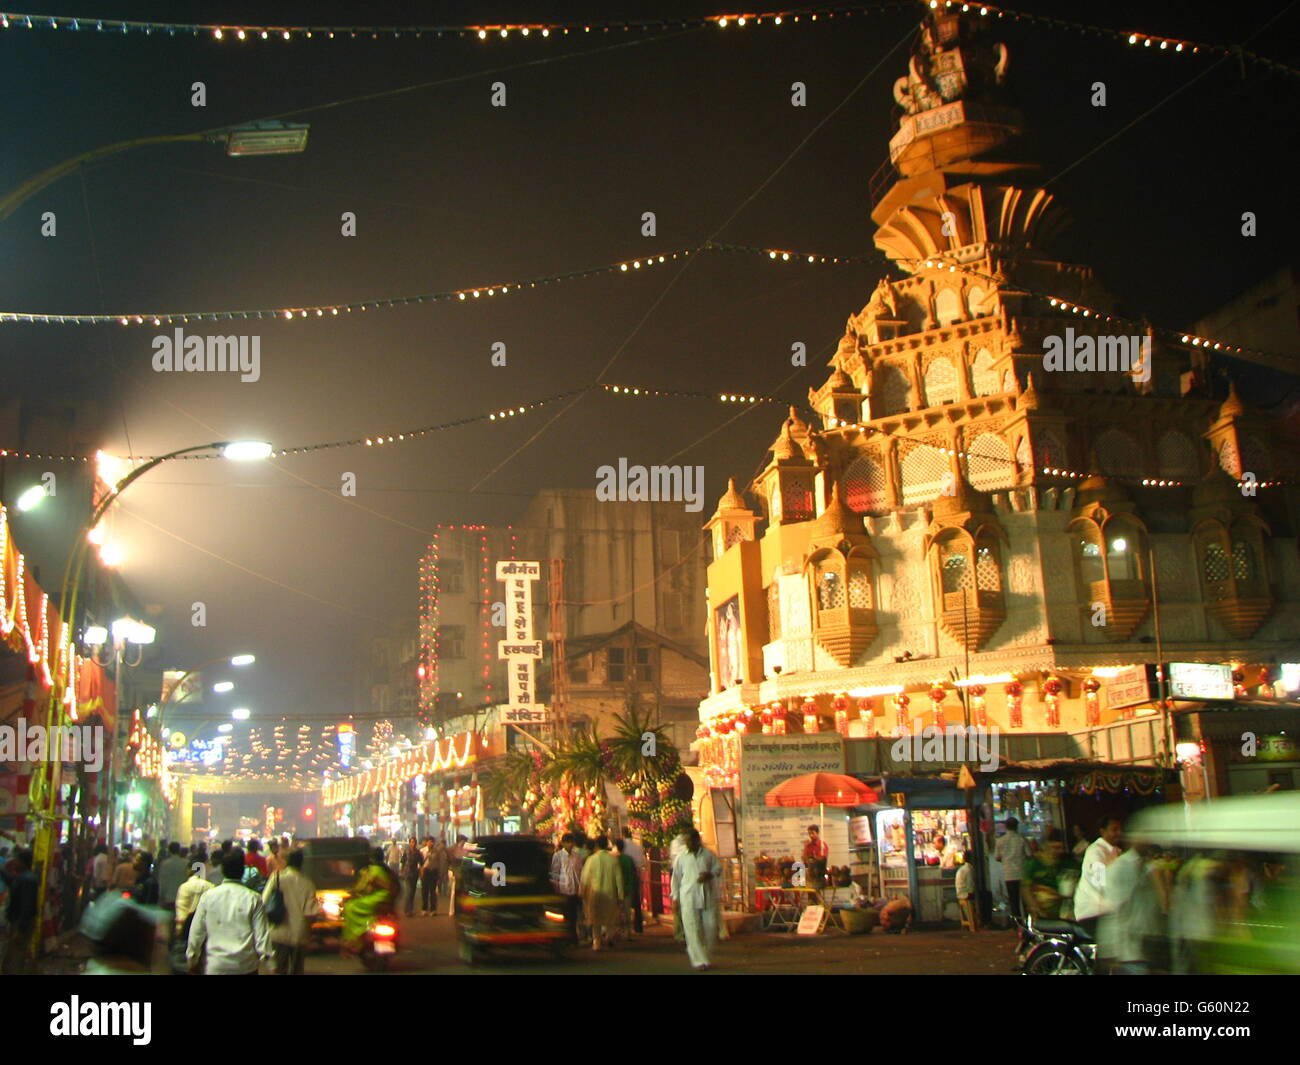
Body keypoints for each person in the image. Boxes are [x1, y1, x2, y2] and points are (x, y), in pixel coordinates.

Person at [186, 851, 273, 975]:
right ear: (242, 871)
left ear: (222, 871)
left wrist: (192, 960)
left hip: (216, 966)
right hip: (246, 967)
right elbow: (262, 936)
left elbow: (196, 932)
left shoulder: (208, 897)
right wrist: (270, 964)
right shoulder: (254, 898)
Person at [1100, 841, 1164, 974]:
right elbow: (1114, 911)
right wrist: (1110, 951)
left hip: (1145, 949)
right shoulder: (1121, 868)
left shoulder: (1147, 868)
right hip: (1129, 952)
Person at [671, 828, 722, 971]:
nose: (688, 844)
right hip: (688, 898)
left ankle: (706, 957)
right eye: (686, 841)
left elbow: (718, 868)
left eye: (690, 841)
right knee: (692, 930)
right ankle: (699, 961)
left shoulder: (708, 855)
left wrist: (709, 875)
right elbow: (676, 879)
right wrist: (675, 898)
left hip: (707, 896)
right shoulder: (681, 857)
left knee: (710, 928)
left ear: (697, 840)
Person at [263, 848, 319, 974]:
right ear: (301, 863)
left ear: (287, 861)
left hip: (278, 932)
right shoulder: (308, 883)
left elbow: (264, 901)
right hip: (299, 934)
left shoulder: (277, 877)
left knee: (279, 969)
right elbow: (311, 913)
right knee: (297, 970)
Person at [1075, 815, 1124, 939]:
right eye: (1114, 830)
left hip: (1108, 911)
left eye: (1120, 829)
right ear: (1103, 831)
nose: (1119, 833)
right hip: (1093, 912)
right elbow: (1099, 880)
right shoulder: (1096, 851)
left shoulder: (1115, 851)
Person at [341, 849, 399, 954]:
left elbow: (362, 887)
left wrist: (353, 892)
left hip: (378, 898)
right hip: (386, 898)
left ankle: (356, 935)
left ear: (371, 859)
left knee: (350, 906)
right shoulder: (385, 870)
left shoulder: (372, 870)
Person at [1021, 827, 1079, 920]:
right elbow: (1025, 888)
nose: (1060, 851)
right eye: (1055, 847)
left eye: (1062, 847)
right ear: (1045, 846)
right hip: (1042, 914)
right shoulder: (1033, 863)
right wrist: (1034, 907)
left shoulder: (1069, 863)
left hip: (1066, 914)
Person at [580, 835, 623, 951]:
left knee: (596, 919)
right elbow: (619, 879)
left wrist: (582, 892)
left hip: (595, 893)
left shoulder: (591, 860)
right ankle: (609, 936)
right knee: (610, 918)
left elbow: (585, 878)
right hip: (610, 893)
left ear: (597, 845)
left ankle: (597, 942)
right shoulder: (613, 860)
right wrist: (620, 895)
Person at [1, 848, 38, 974]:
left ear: (23, 862)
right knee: (13, 957)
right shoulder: (24, 877)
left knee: (15, 960)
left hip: (21, 923)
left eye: (16, 860)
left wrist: (21, 929)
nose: (14, 862)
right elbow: (12, 881)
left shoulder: (28, 880)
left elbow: (27, 906)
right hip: (18, 922)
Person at [549, 833, 583, 943]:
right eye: (568, 842)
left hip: (575, 890)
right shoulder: (558, 856)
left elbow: (580, 872)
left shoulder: (577, 856)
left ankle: (573, 938)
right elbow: (555, 873)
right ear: (563, 843)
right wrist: (556, 890)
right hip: (564, 891)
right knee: (566, 916)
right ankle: (567, 938)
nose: (570, 844)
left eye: (572, 842)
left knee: (574, 916)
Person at [994, 818, 1028, 918]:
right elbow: (1029, 854)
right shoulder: (1021, 839)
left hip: (1009, 874)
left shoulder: (1000, 841)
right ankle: (1027, 921)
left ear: (1006, 827)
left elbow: (997, 857)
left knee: (1013, 900)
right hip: (1022, 872)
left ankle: (1017, 922)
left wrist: (1006, 859)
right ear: (1016, 826)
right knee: (1025, 900)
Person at [615, 837, 642, 935]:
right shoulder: (629, 859)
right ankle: (628, 931)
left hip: (619, 888)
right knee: (627, 910)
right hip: (629, 886)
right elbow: (633, 873)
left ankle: (620, 930)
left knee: (619, 910)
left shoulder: (615, 860)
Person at [157, 842, 189, 923]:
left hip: (168, 898)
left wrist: (161, 897)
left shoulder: (165, 864)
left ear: (169, 850)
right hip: (183, 897)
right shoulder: (186, 863)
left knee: (168, 922)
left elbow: (162, 882)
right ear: (179, 850)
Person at [955, 852, 980, 931]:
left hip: (961, 892)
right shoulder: (969, 869)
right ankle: (974, 923)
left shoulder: (963, 868)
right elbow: (970, 885)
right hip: (965, 893)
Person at [446, 835, 468, 916]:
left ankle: (457, 909)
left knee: (458, 891)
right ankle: (453, 910)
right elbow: (452, 861)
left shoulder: (456, 849)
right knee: (454, 891)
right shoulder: (453, 850)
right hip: (454, 872)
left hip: (457, 871)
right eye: (464, 842)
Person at [400, 837, 422, 917]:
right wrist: (402, 871)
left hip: (414, 874)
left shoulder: (418, 852)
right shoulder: (406, 852)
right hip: (407, 873)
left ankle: (410, 909)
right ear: (409, 843)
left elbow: (421, 862)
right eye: (412, 842)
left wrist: (420, 871)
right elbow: (402, 862)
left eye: (414, 842)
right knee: (408, 892)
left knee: (412, 892)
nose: (413, 844)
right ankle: (407, 909)